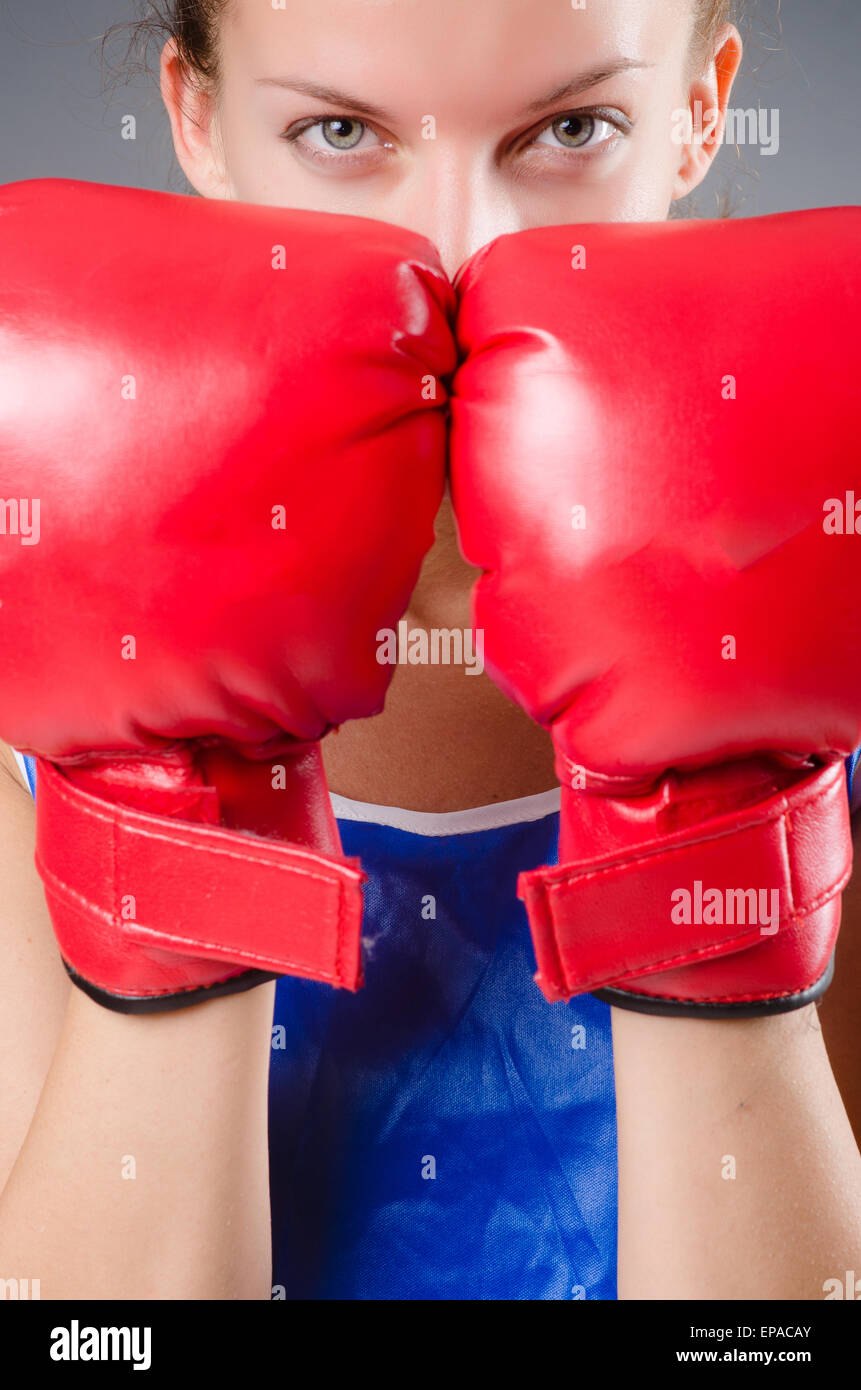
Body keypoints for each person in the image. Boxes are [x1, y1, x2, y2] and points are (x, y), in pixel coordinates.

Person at [0, 0, 859, 1301]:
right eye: (340, 130)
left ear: (696, 112)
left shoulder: (832, 616)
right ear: (198, 122)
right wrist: (179, 790)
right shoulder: (38, 655)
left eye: (571, 127)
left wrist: (713, 807)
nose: (462, 251)